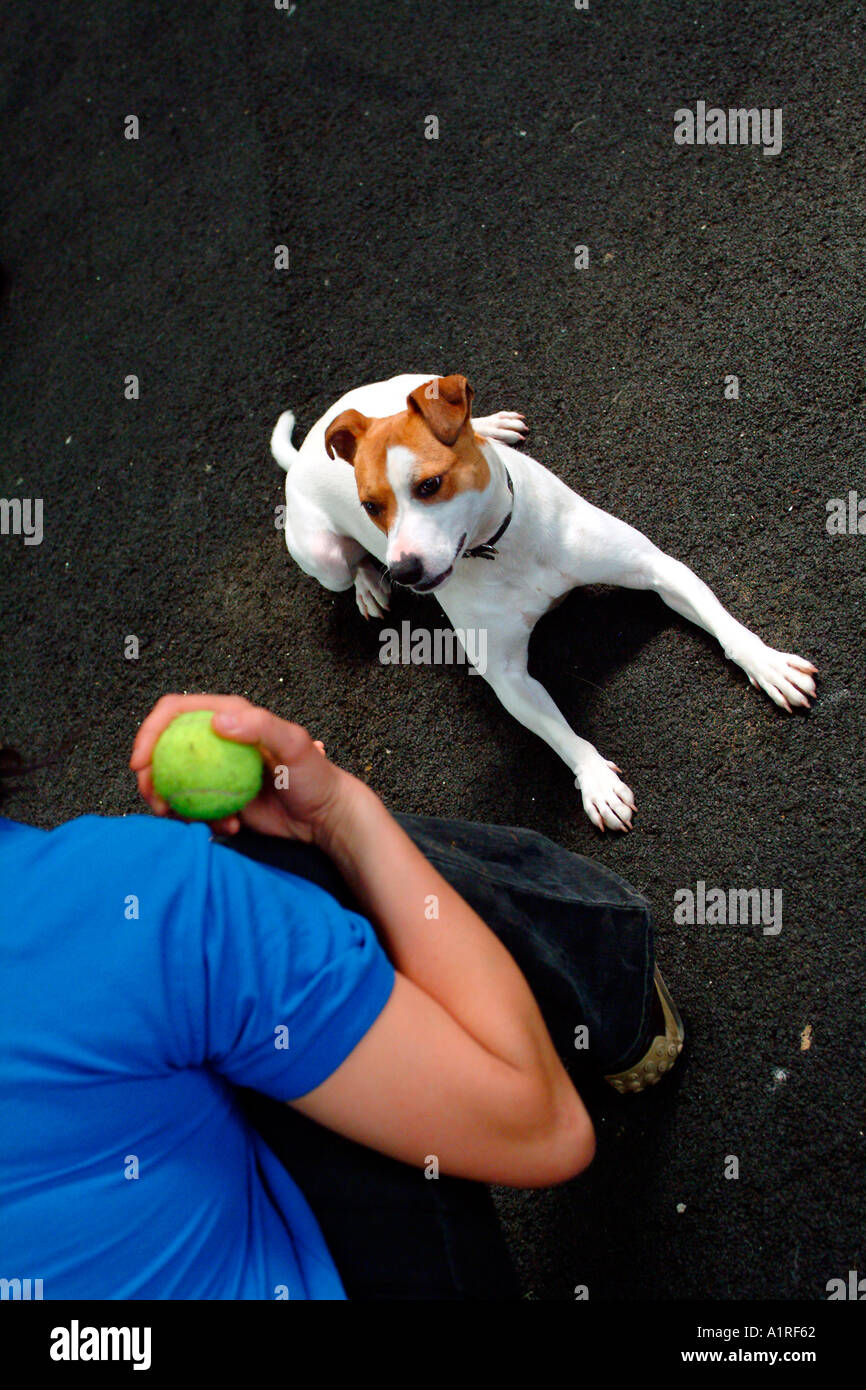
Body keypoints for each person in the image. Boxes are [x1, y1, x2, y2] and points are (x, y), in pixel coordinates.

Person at [0, 694, 683, 1300]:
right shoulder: (129, 897)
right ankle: (610, 981)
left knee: (234, 958)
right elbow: (546, 1136)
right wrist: (342, 814)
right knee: (285, 868)